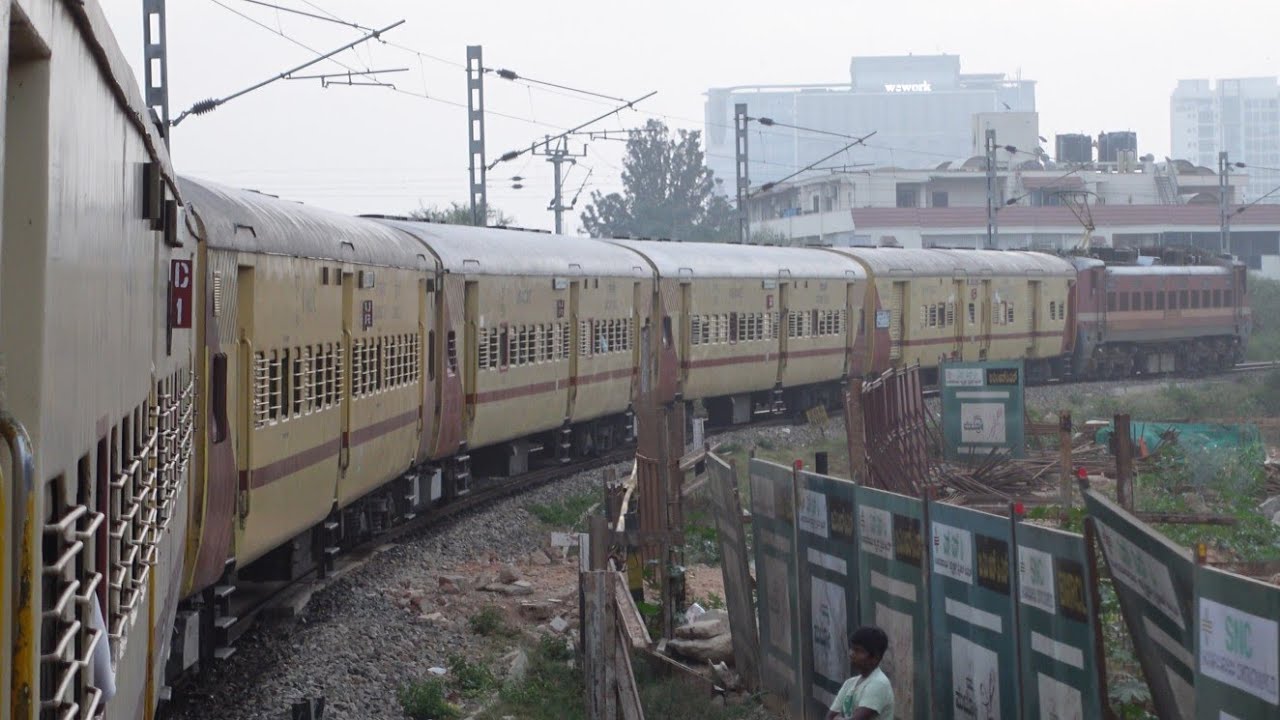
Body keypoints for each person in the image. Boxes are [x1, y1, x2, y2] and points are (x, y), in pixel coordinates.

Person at [826, 625, 894, 720]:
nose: (851, 654)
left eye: (858, 651)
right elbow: (830, 717)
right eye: (852, 649)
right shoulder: (850, 683)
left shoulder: (879, 683)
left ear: (875, 658)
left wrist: (838, 718)